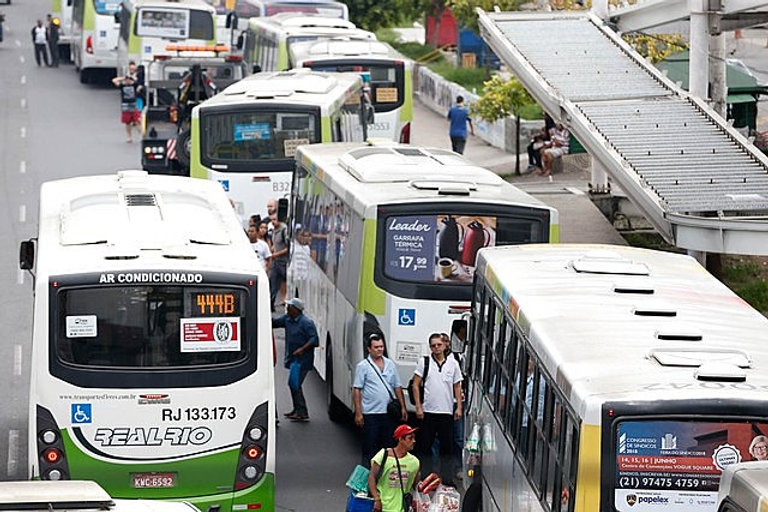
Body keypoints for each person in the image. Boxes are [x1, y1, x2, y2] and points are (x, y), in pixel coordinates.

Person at [412, 333, 462, 484]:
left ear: (445, 345)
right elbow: (415, 384)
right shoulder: (424, 362)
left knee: (447, 447)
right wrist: (419, 406)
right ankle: (427, 477)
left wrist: (458, 407)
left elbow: (457, 386)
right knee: (425, 446)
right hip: (429, 411)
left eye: (439, 345)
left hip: (446, 411)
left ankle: (446, 478)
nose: (436, 348)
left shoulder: (453, 364)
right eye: (433, 345)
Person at [353, 333, 408, 468]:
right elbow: (357, 389)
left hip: (388, 414)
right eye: (376, 347)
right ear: (369, 349)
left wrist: (403, 407)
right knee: (369, 447)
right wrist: (358, 412)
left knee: (387, 447)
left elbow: (397, 387)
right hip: (370, 413)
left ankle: (384, 477)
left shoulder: (390, 364)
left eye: (381, 347)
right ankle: (366, 478)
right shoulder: (363, 366)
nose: (379, 349)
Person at [272, 298, 318, 422]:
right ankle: (297, 409)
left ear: (296, 309)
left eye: (290, 307)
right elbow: (274, 323)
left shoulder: (306, 323)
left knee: (294, 384)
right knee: (294, 384)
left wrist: (302, 349)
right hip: (293, 358)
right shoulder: (287, 319)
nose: (287, 308)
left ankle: (302, 412)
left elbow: (314, 340)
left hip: (302, 360)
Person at [368, 424, 420, 512]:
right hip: (382, 507)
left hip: (402, 508)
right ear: (400, 439)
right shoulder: (383, 455)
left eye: (414, 438)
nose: (414, 441)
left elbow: (416, 485)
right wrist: (377, 499)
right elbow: (371, 477)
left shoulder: (415, 462)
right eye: (410, 438)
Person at [111, 61, 141, 143]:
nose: (127, 81)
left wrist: (132, 79)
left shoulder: (134, 85)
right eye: (127, 80)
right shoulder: (122, 86)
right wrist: (123, 78)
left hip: (133, 105)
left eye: (129, 80)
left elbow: (138, 82)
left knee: (137, 121)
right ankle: (129, 137)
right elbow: (114, 80)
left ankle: (141, 135)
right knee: (127, 123)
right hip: (125, 106)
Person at [268, 213, 288, 311]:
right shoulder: (273, 231)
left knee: (285, 281)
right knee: (273, 282)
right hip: (276, 261)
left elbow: (288, 247)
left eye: (275, 220)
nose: (273, 222)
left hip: (283, 261)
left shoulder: (284, 230)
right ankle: (271, 303)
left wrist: (277, 254)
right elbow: (275, 244)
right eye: (271, 220)